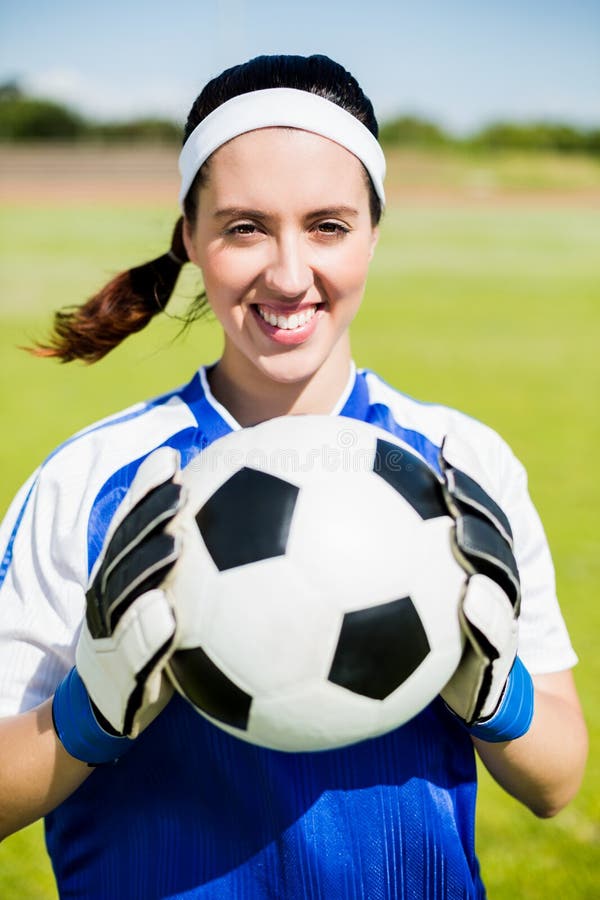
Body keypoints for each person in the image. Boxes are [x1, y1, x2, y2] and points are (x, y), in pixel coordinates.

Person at [0, 54, 588, 899]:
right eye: (244, 226)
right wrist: (85, 718)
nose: (286, 272)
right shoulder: (94, 480)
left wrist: (499, 696)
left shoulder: (461, 467)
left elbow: (556, 782)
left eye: (327, 225)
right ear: (190, 238)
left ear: (375, 232)